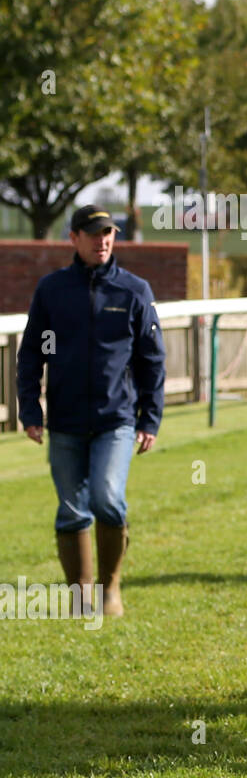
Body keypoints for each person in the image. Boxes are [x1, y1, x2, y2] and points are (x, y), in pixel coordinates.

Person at [16, 204, 166, 617]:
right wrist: (30, 409)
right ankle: (81, 596)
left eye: (109, 234)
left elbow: (152, 360)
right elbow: (32, 354)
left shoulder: (134, 291)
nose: (103, 241)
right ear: (74, 238)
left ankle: (110, 588)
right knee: (70, 508)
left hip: (115, 420)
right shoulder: (52, 291)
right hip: (63, 421)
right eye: (94, 233)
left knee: (107, 497)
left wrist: (149, 417)